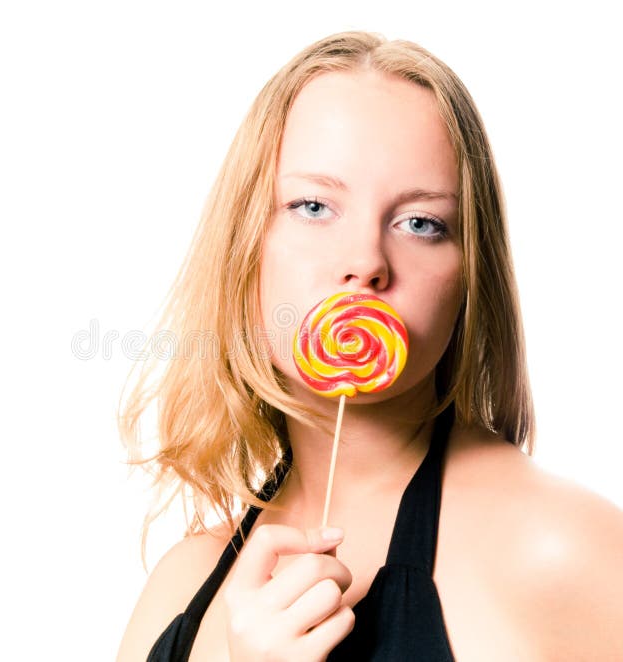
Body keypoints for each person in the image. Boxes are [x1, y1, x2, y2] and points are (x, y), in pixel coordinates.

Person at [116, 31, 623, 661]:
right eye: (313, 206)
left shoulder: (560, 553)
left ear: (471, 272)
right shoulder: (181, 583)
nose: (366, 262)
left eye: (421, 223)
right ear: (245, 245)